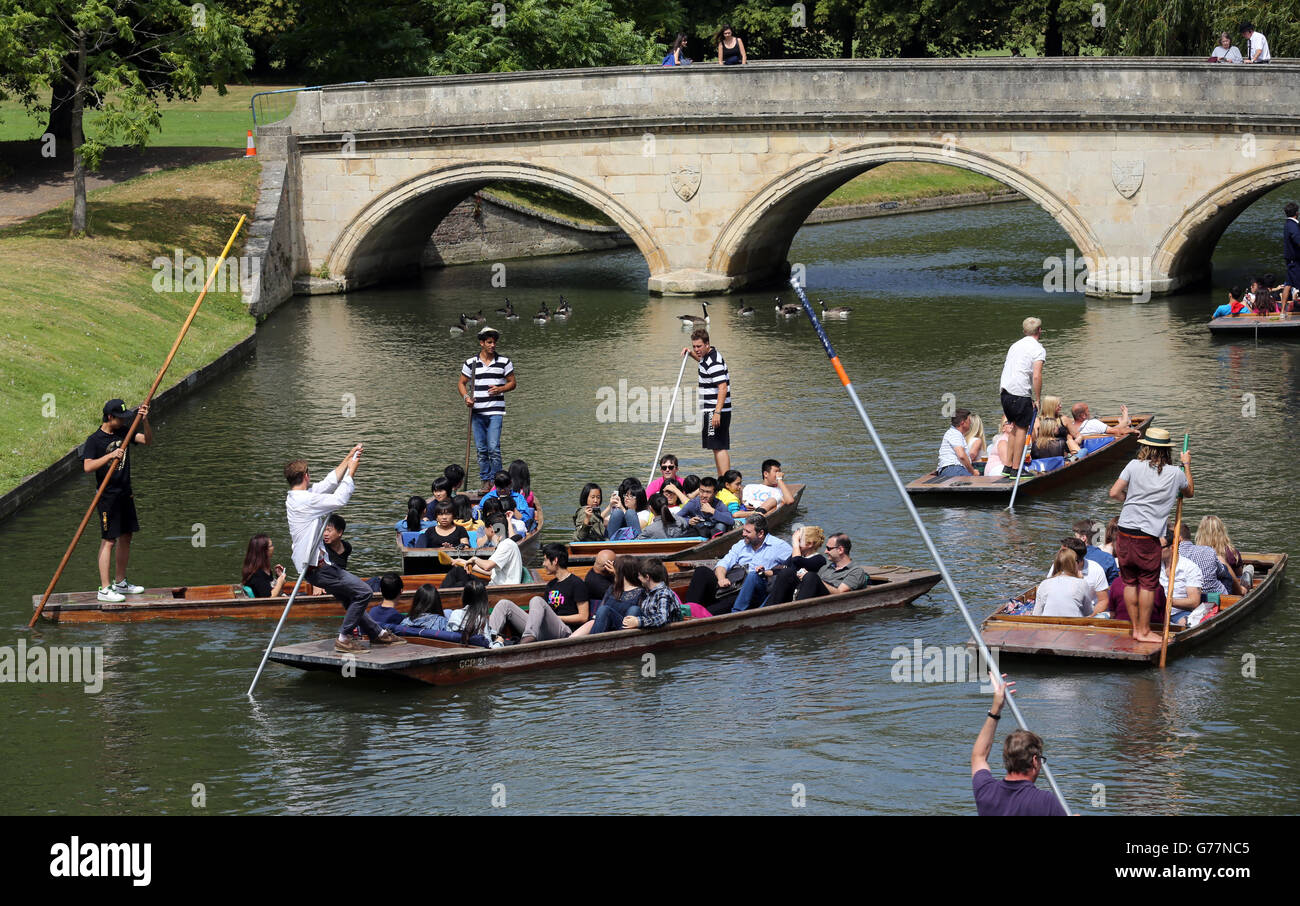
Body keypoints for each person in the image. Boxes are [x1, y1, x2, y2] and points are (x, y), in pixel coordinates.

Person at [284, 446, 404, 653]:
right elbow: (339, 499)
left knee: (351, 598)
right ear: (306, 476)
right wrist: (351, 472)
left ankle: (377, 634)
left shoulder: (298, 496)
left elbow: (328, 483)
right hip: (320, 568)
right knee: (364, 592)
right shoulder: (306, 500)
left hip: (313, 567)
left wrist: (348, 458)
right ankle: (344, 638)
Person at [1108, 427, 1193, 643]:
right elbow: (1189, 492)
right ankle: (1144, 631)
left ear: (1146, 447)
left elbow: (1114, 493)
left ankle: (1136, 629)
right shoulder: (1176, 472)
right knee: (1147, 583)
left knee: (1129, 582)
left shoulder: (1133, 465)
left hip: (1124, 533)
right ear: (1166, 451)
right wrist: (1187, 464)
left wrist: (1130, 500)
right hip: (1147, 537)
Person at [83, 399, 153, 602]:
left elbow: (147, 441)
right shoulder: (94, 440)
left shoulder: (124, 432)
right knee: (109, 540)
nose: (123, 422)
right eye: (120, 418)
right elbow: (87, 467)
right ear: (109, 417)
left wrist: (145, 421)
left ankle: (120, 583)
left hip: (125, 493)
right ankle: (104, 589)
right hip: (107, 497)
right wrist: (111, 456)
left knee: (127, 536)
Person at [972, 673, 1067, 816]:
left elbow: (979, 756)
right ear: (1035, 761)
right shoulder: (1046, 802)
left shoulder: (986, 792)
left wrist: (996, 708)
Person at [685, 514, 792, 615]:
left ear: (760, 534)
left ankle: (701, 616)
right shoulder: (741, 545)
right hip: (730, 585)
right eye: (743, 530)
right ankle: (688, 609)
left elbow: (795, 562)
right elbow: (724, 563)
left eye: (747, 532)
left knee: (733, 599)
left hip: (752, 592)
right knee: (701, 571)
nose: (743, 534)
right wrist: (721, 579)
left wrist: (772, 572)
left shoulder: (779, 546)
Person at [487, 543, 589, 645]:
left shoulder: (576, 583)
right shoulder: (551, 585)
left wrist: (558, 618)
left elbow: (583, 617)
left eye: (545, 560)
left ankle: (527, 639)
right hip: (543, 629)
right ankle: (488, 637)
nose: (543, 564)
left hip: (564, 630)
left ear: (555, 561)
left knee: (536, 600)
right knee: (504, 604)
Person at [458, 326, 517, 493]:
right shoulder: (471, 363)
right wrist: (466, 398)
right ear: (482, 343)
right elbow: (461, 383)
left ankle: (499, 481)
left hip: (495, 411)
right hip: (477, 412)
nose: (492, 345)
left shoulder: (504, 362)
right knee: (481, 449)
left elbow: (512, 383)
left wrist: (500, 389)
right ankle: (486, 481)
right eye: (489, 342)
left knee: (493, 448)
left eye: (494, 342)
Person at [998, 317, 1045, 478]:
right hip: (1019, 393)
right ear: (1039, 330)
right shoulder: (1038, 348)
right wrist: (1037, 399)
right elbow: (1037, 376)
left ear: (1024, 331)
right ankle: (1017, 469)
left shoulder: (1014, 346)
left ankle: (1008, 466)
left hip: (1005, 392)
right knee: (1021, 431)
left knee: (1014, 428)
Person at [683, 328, 731, 474]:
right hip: (712, 409)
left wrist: (717, 413)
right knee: (715, 447)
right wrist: (690, 354)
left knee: (719, 446)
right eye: (694, 346)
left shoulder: (713, 361)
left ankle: (726, 483)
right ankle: (722, 480)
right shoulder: (707, 357)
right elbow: (704, 363)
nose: (696, 349)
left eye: (699, 346)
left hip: (715, 410)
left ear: (707, 344)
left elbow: (723, 387)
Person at [571, 555, 645, 636]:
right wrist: (572, 638)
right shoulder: (612, 589)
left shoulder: (641, 592)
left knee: (634, 609)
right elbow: (595, 619)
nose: (611, 571)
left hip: (625, 633)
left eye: (615, 569)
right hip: (606, 631)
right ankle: (592, 643)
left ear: (621, 572)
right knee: (603, 609)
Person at [441, 520, 527, 587]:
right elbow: (490, 572)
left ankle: (441, 598)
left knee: (457, 574)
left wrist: (474, 558)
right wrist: (463, 562)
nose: (484, 531)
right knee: (459, 572)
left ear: (491, 528)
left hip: (499, 589)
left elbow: (487, 566)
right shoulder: (503, 544)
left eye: (484, 528)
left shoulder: (506, 545)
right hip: (494, 585)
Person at [756, 525, 826, 607]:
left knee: (787, 572)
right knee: (754, 576)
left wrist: (795, 542)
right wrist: (764, 572)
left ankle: (768, 608)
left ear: (809, 544)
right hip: (787, 591)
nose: (794, 544)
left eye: (799, 541)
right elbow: (783, 569)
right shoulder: (795, 557)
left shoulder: (819, 559)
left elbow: (797, 561)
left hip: (801, 594)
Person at [1034, 545, 1101, 618]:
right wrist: (1081, 580)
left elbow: (1037, 614)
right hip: (1073, 626)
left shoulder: (1044, 584)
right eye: (1077, 561)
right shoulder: (1082, 583)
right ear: (1074, 564)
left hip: (1048, 626)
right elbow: (1088, 612)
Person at [1170, 520, 1229, 597]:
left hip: (1187, 596)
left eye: (1170, 537)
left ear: (1179, 539)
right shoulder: (1208, 550)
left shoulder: (1172, 554)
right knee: (1226, 574)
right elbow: (1222, 572)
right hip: (1214, 595)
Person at [1196, 515, 1252, 594]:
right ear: (1222, 531)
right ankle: (1248, 572)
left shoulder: (1196, 554)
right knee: (1248, 570)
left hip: (1208, 590)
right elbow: (1238, 576)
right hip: (1230, 590)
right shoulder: (1232, 552)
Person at [622, 559, 681, 630]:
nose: (638, 578)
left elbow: (662, 618)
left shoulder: (663, 593)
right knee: (606, 610)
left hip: (662, 634)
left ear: (647, 577)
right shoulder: (648, 592)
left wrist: (638, 622)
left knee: (634, 609)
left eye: (639, 575)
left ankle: (625, 638)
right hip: (648, 631)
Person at [1160, 528, 1203, 625]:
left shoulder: (1190, 568)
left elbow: (1194, 602)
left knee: (1186, 623)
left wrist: (1167, 602)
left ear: (1172, 548)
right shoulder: (1153, 565)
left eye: (1160, 548)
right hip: (1157, 612)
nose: (1154, 551)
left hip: (1179, 613)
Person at [1030, 395, 1079, 460]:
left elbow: (1077, 435)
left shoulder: (1063, 419)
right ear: (1051, 406)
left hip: (1063, 449)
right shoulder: (1037, 421)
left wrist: (1076, 440)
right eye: (1058, 405)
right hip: (1043, 450)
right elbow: (1034, 440)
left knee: (1070, 440)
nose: (1061, 406)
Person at [241, 533, 287, 598]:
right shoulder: (257, 574)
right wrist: (279, 581)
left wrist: (280, 576)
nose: (273, 547)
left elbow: (270, 589)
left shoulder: (265, 569)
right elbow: (269, 597)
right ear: (264, 551)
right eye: (271, 546)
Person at [936, 409, 976, 478]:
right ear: (963, 423)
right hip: (953, 469)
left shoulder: (955, 433)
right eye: (969, 420)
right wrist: (972, 472)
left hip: (953, 469)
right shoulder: (954, 434)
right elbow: (961, 456)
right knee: (975, 482)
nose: (970, 423)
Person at [1071, 402, 1139, 438]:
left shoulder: (1070, 428)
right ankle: (1125, 420)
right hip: (1102, 439)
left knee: (1108, 430)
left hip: (1099, 436)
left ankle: (1125, 421)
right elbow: (1116, 431)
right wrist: (1132, 430)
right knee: (1118, 428)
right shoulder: (1092, 423)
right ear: (1083, 415)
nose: (1089, 413)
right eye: (1088, 411)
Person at [1284, 202, 1300, 309]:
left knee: (1288, 285)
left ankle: (1282, 311)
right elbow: (1297, 240)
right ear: (1297, 213)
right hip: (1296, 260)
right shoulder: (1293, 226)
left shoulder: (1288, 224)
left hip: (1290, 260)